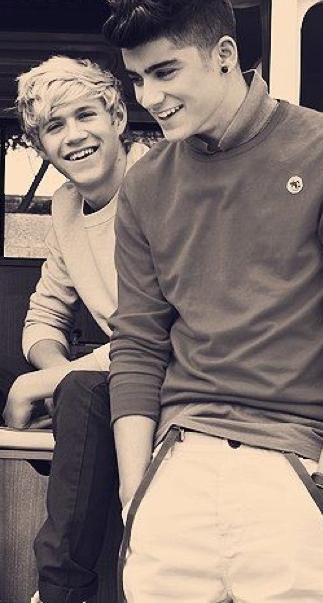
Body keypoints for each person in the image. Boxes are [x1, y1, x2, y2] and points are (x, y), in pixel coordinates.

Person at [101, 0, 323, 602]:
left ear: (223, 54)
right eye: (137, 78)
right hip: (177, 463)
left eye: (165, 71)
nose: (149, 97)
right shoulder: (145, 183)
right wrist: (135, 490)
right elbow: (137, 343)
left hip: (294, 467)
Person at [4, 55, 146, 603]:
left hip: (190, 370)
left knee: (84, 392)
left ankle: (62, 592)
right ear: (40, 146)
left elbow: (164, 330)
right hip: (123, 374)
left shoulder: (160, 184)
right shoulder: (66, 207)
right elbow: (44, 314)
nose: (73, 136)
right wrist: (56, 373)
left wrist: (45, 384)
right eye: (53, 126)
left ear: (118, 118)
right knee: (80, 390)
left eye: (86, 115)